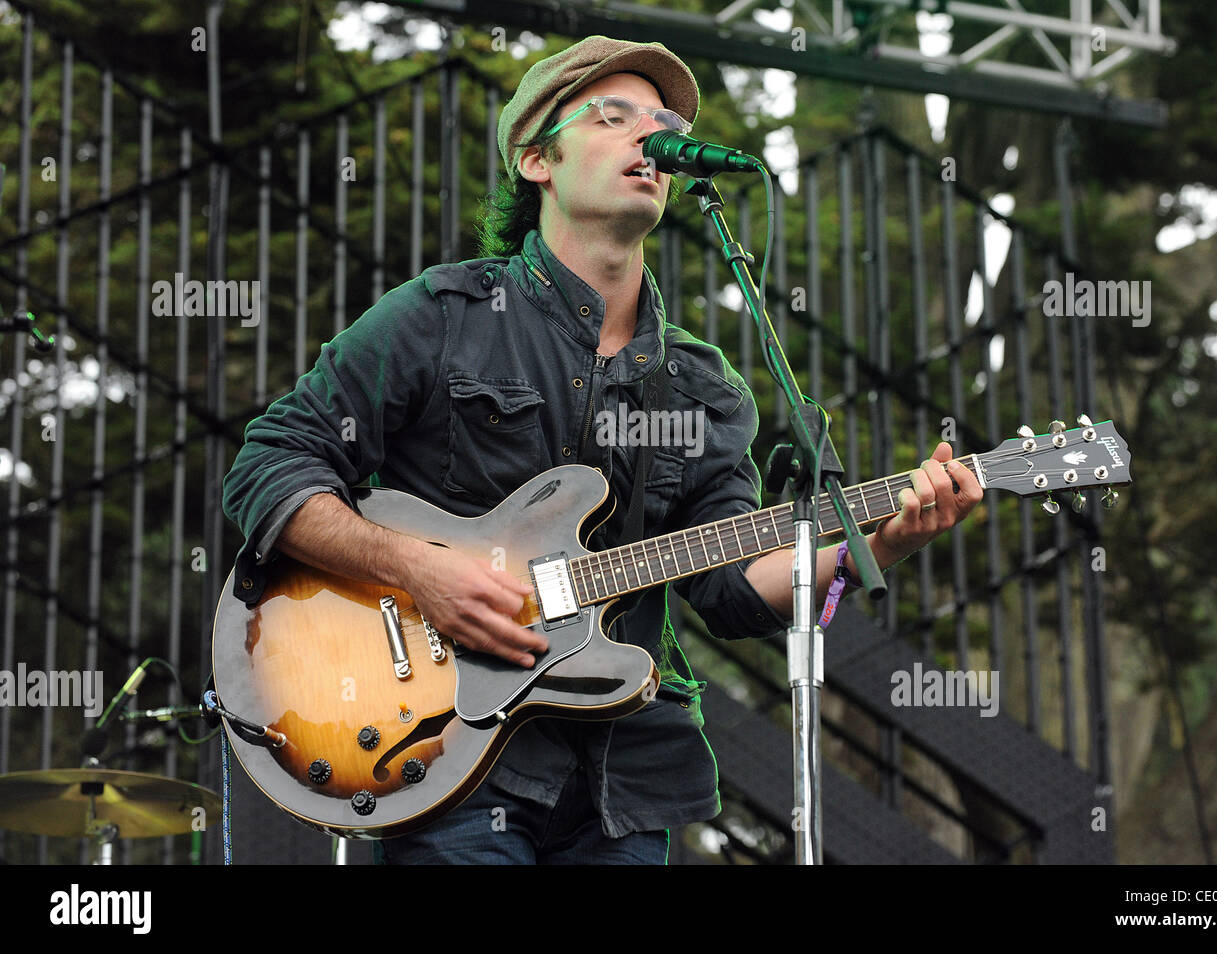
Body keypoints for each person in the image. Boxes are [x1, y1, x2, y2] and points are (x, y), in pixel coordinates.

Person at [221, 35, 983, 865]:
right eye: (614, 117)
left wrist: (880, 544)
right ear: (536, 159)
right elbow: (268, 467)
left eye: (662, 124)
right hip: (446, 757)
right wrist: (417, 570)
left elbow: (731, 591)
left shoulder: (703, 385)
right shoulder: (439, 318)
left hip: (625, 784)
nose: (650, 139)